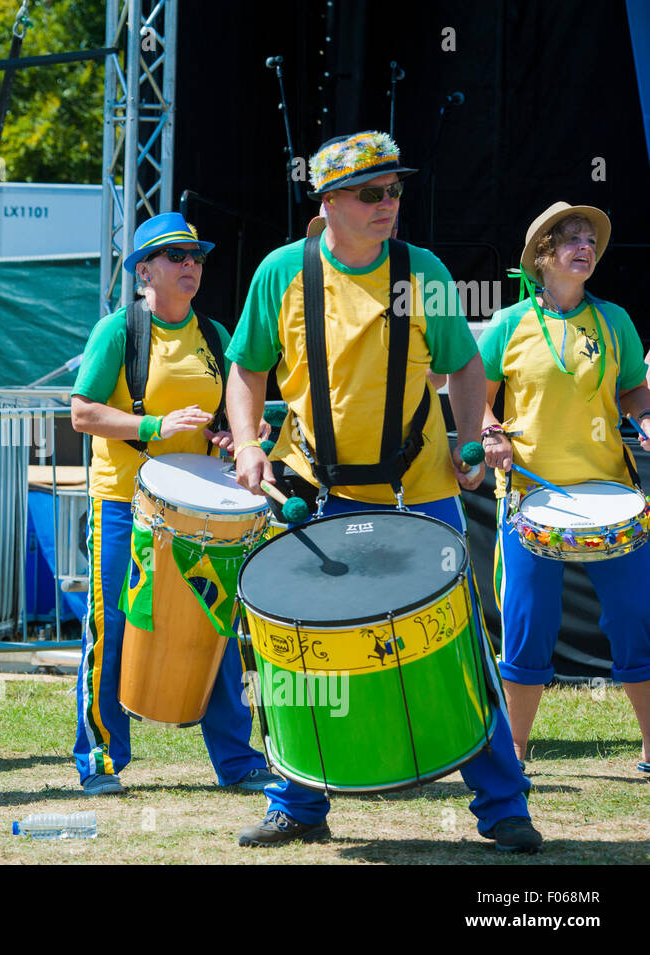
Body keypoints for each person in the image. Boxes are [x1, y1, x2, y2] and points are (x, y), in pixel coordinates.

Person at [225, 131, 540, 852]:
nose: (388, 203)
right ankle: (297, 801)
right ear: (328, 200)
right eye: (371, 192)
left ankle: (502, 805)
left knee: (456, 644)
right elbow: (247, 372)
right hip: (312, 492)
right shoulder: (281, 272)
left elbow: (464, 365)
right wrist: (246, 442)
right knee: (296, 653)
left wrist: (469, 443)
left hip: (417, 490)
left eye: (395, 190)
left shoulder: (422, 271)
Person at [69, 211, 279, 796]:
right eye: (177, 256)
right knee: (112, 627)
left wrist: (232, 436)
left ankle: (237, 762)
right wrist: (154, 423)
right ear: (145, 271)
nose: (191, 265)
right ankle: (101, 760)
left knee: (220, 628)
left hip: (204, 508)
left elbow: (235, 411)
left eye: (196, 256)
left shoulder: (215, 334)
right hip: (124, 504)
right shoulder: (119, 331)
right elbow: (82, 413)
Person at [479, 201, 650, 775]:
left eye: (591, 240)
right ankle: (515, 753)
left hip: (610, 496)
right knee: (528, 624)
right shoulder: (509, 323)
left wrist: (646, 420)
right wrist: (488, 430)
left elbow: (633, 392)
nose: (586, 247)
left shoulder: (616, 320)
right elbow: (473, 391)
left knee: (635, 618)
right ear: (544, 256)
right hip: (529, 498)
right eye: (571, 239)